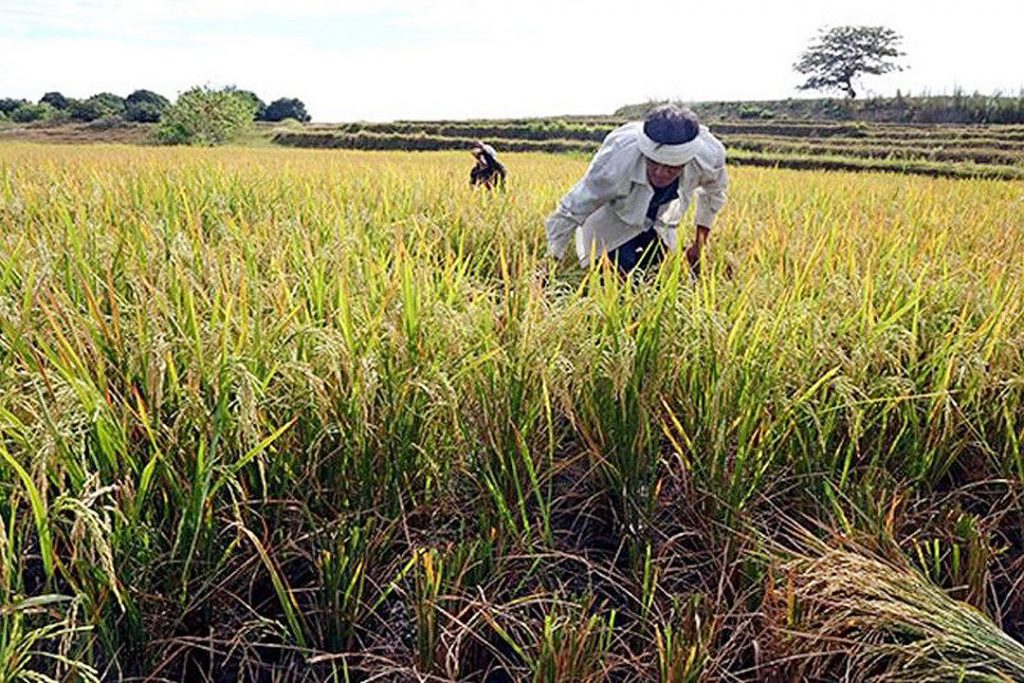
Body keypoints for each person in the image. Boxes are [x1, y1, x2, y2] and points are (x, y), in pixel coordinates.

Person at [544, 104, 727, 276]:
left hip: (659, 219)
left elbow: (713, 195)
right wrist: (550, 262)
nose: (660, 173)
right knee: (614, 278)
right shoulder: (616, 161)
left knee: (654, 275)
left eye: (672, 167)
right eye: (653, 163)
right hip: (614, 217)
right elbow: (573, 208)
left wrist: (699, 244)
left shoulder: (709, 157)